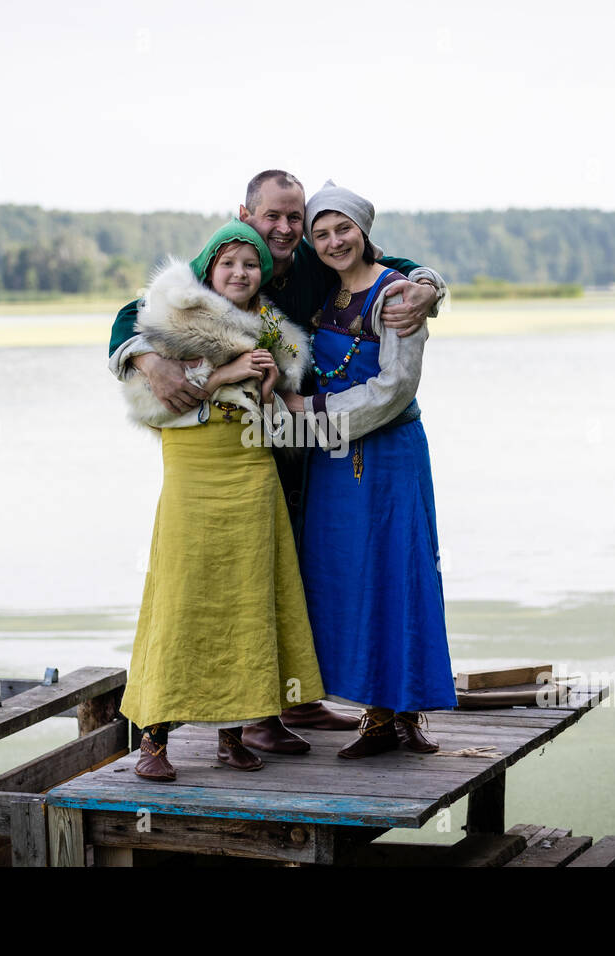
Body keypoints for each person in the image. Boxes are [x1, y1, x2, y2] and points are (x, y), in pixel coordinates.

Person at [108, 170, 449, 752]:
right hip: (256, 445)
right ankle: (259, 715)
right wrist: (144, 358)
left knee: (298, 569)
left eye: (298, 219)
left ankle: (301, 698)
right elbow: (136, 311)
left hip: (309, 438)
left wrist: (429, 285)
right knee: (257, 571)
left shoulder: (319, 261)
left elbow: (384, 257)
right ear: (245, 214)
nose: (288, 229)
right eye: (275, 217)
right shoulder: (224, 259)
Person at [118, 218, 324, 781]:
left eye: (251, 263)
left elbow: (284, 405)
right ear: (209, 268)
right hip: (194, 474)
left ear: (263, 275)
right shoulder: (169, 320)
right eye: (229, 262)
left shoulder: (274, 331)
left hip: (253, 472)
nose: (240, 271)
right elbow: (150, 405)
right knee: (180, 602)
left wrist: (274, 393)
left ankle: (231, 736)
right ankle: (153, 741)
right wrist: (220, 372)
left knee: (247, 601)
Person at [276, 181, 457, 759]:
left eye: (343, 229)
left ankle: (404, 711)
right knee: (347, 576)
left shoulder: (396, 294)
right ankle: (372, 712)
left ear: (363, 230)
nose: (333, 241)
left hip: (387, 455)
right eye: (321, 232)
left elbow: (396, 386)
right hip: (332, 460)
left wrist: (314, 414)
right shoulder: (326, 294)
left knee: (398, 571)